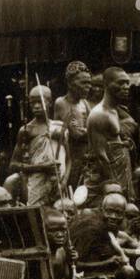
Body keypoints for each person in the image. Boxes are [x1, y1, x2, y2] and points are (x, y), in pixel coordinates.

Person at [10, 85, 68, 207]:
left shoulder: (59, 127)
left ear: (50, 102)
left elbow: (69, 159)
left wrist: (64, 182)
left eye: (40, 102)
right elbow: (14, 164)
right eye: (32, 103)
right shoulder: (26, 130)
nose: (36, 106)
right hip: (37, 184)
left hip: (59, 182)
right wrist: (42, 167)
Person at [87, 67, 137, 203]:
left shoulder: (115, 110)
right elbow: (101, 155)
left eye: (127, 83)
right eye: (120, 83)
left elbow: (114, 141)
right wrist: (115, 186)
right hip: (110, 177)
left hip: (122, 171)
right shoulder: (99, 114)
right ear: (106, 85)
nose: (126, 87)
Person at [53, 61, 92, 189]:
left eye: (89, 83)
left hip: (86, 158)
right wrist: (88, 131)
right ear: (70, 83)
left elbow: (94, 128)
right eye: (84, 83)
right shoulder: (61, 103)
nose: (88, 87)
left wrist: (86, 130)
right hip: (70, 159)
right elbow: (76, 134)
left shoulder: (84, 103)